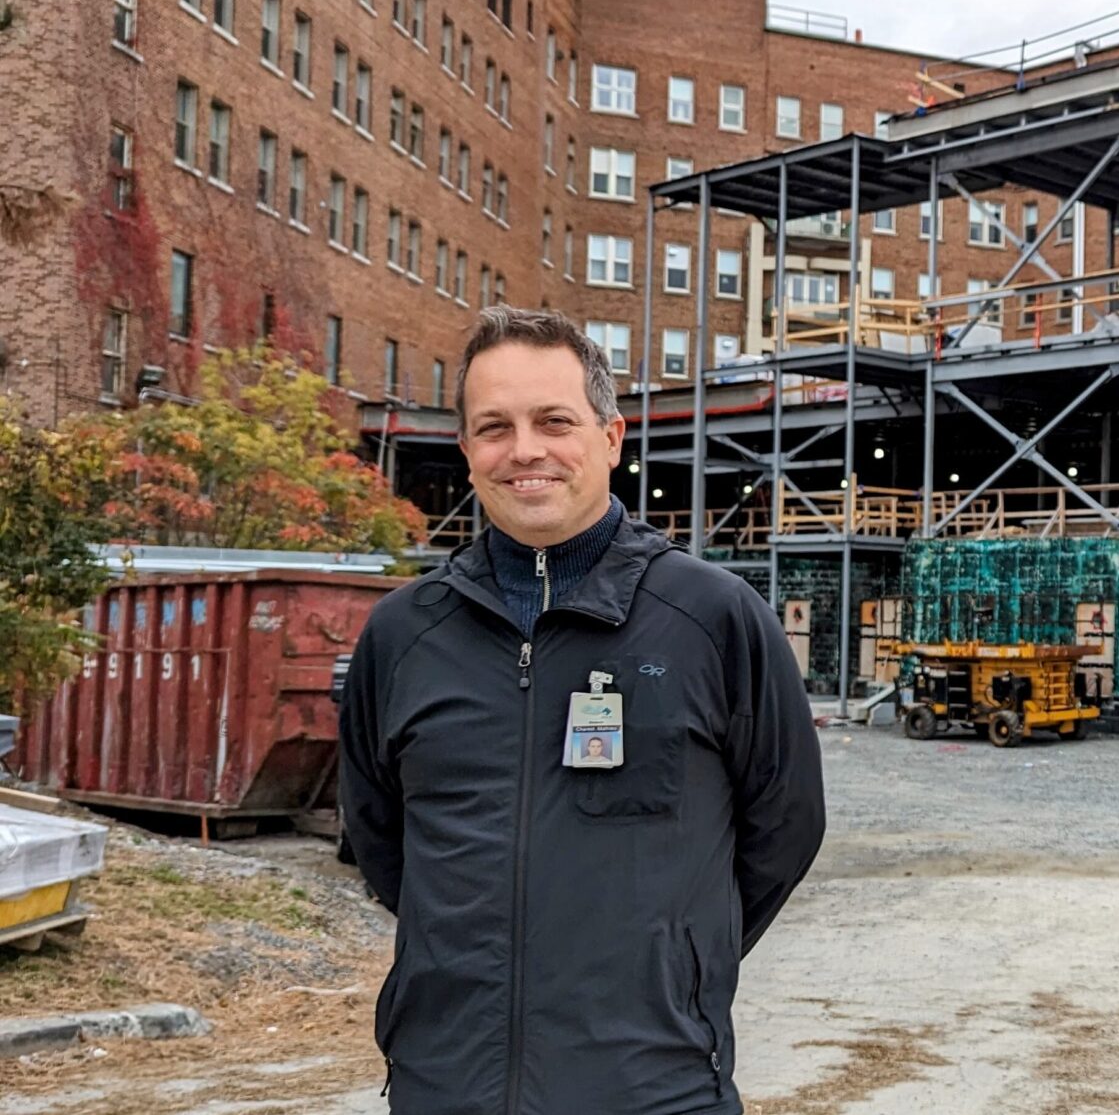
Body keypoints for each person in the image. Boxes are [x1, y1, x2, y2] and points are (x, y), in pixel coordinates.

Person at [340, 307, 825, 1115]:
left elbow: (785, 826)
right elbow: (383, 841)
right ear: (466, 451)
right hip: (443, 1083)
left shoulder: (714, 618)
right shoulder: (403, 635)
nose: (524, 448)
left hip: (654, 1086)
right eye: (494, 426)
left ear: (610, 437)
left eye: (554, 420)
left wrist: (674, 963)